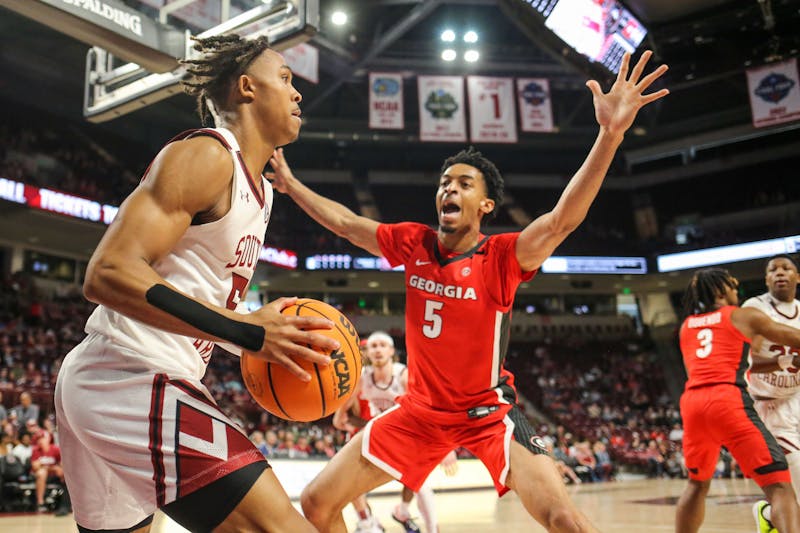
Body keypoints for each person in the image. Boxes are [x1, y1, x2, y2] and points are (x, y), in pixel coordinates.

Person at [271, 50, 669, 532]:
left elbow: (564, 218)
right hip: (417, 413)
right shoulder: (413, 242)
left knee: (564, 518)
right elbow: (348, 223)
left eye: (462, 183)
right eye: (444, 183)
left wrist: (610, 135)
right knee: (315, 503)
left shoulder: (502, 255)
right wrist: (291, 185)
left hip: (486, 413)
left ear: (485, 204)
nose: (449, 190)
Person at [53, 34, 341, 533]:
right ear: (247, 88)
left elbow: (194, 292)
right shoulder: (208, 156)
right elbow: (108, 273)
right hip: (130, 374)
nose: (297, 95)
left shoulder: (263, 195)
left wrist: (260, 337)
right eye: (286, 80)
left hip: (118, 380)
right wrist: (249, 332)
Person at [674, 267, 800, 533]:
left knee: (697, 484)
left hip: (693, 402)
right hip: (727, 399)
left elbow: (728, 363)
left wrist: (783, 361)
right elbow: (791, 336)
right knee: (779, 486)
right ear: (721, 291)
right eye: (733, 286)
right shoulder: (740, 316)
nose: (736, 290)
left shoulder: (686, 327)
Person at [743, 254, 800, 532]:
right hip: (769, 404)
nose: (780, 273)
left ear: (797, 277)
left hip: (798, 397)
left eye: (786, 268)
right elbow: (747, 357)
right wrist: (786, 362)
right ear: (766, 279)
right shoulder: (755, 308)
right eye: (773, 270)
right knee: (798, 477)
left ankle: (768, 513)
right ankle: (769, 513)